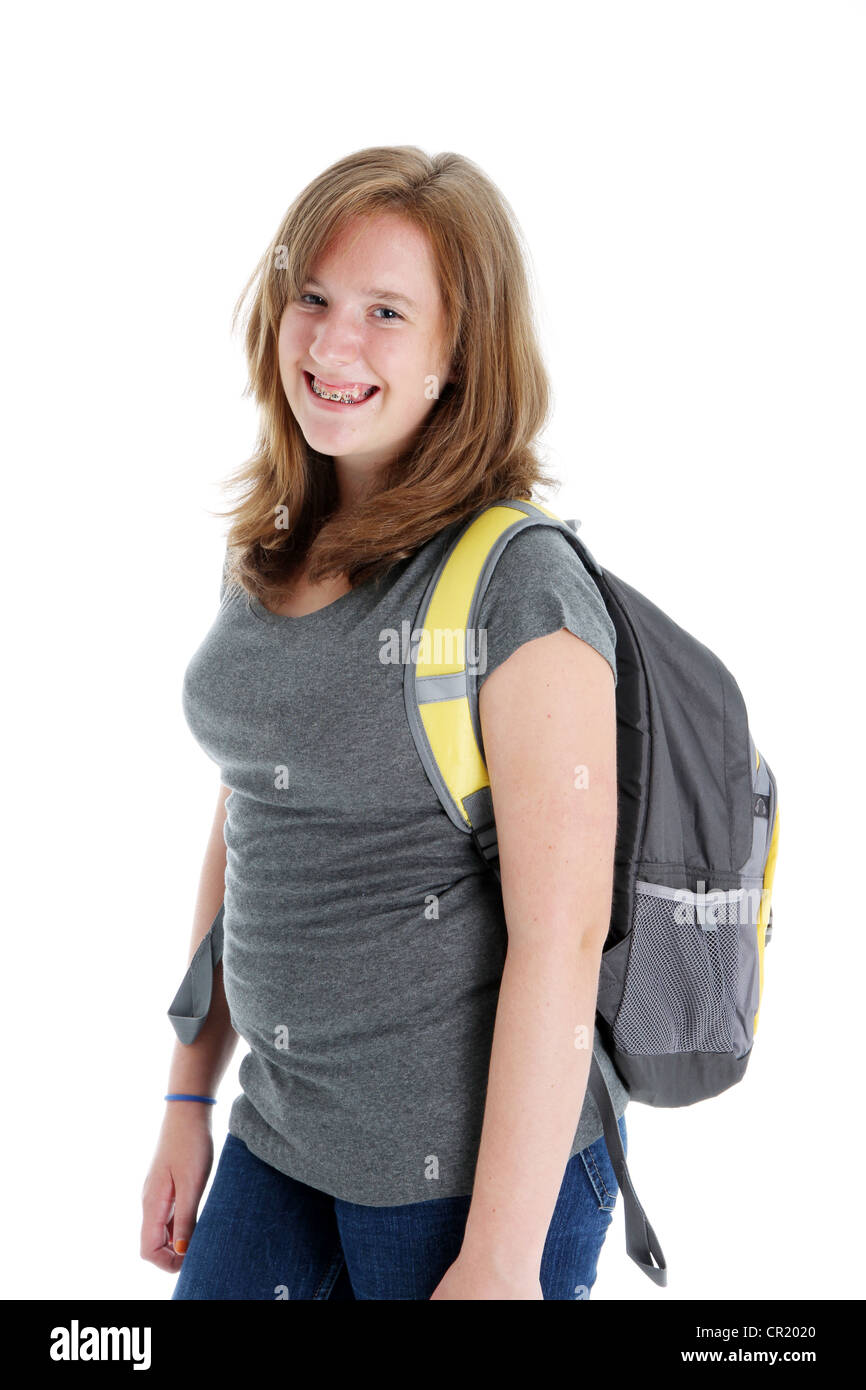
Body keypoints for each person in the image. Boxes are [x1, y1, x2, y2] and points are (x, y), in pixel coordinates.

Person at [140, 145, 629, 1301]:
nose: (328, 342)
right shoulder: (272, 544)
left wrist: (500, 1259)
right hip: (280, 1135)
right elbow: (254, 808)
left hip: (462, 1181)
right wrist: (184, 1093)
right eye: (310, 295)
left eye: (385, 312)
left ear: (457, 356)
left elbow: (563, 938)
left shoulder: (520, 589)